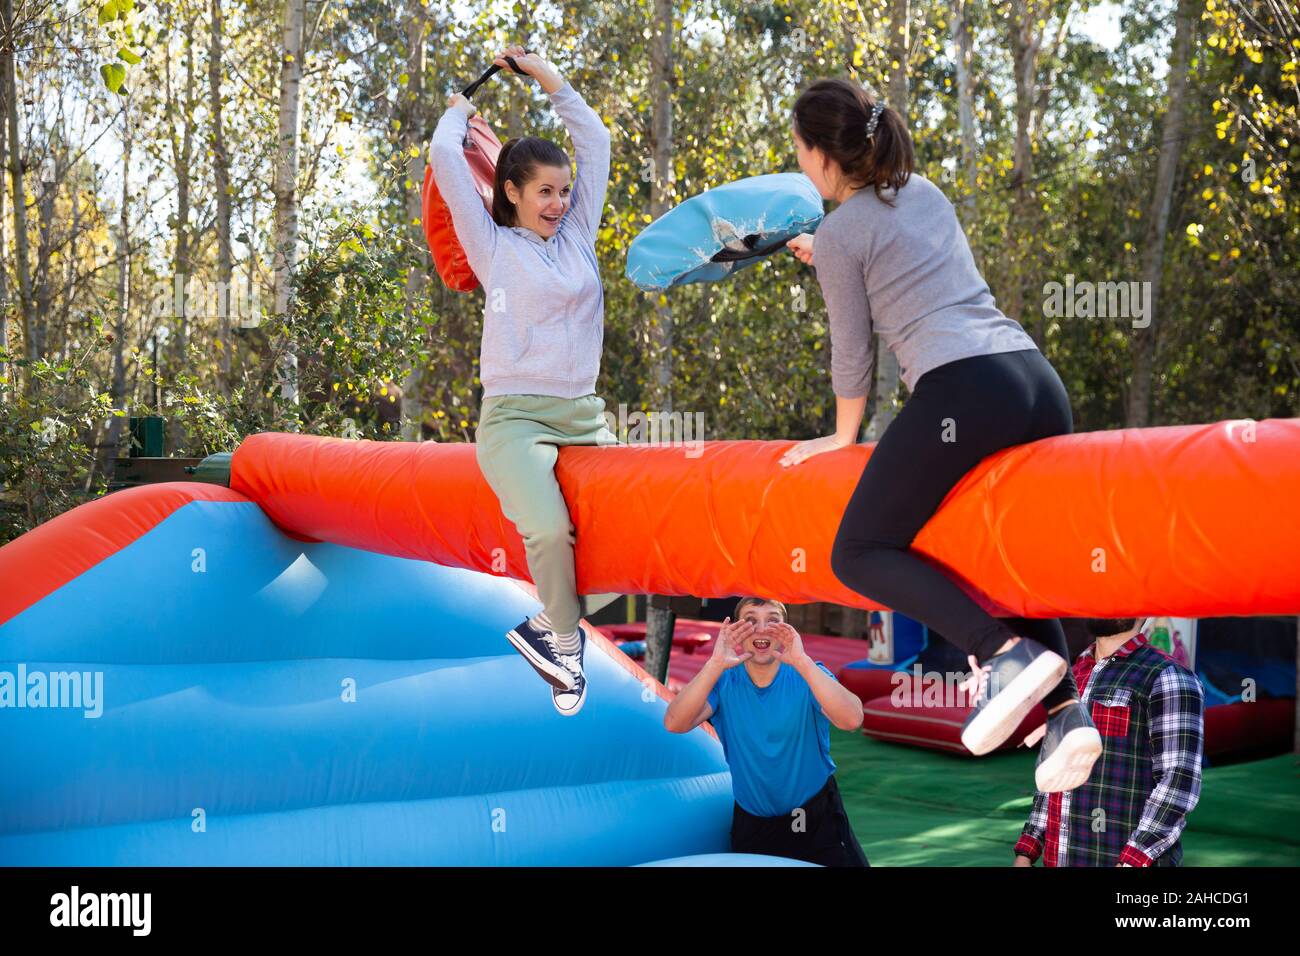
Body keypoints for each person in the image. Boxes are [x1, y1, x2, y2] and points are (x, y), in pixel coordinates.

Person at [781, 78, 1100, 792]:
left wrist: (841, 437)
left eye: (800, 152)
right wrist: (829, 253)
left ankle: (1001, 653)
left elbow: (852, 350)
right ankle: (1067, 713)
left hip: (966, 390)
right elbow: (900, 265)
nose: (801, 165)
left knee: (859, 550)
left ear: (824, 158)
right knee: (999, 550)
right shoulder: (920, 192)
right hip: (1034, 382)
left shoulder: (841, 234)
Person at [427, 45, 620, 716]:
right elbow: (447, 160)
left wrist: (547, 78)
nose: (560, 202)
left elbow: (593, 139)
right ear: (511, 192)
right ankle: (563, 646)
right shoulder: (492, 246)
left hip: (584, 417)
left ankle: (548, 626)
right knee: (547, 531)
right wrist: (459, 114)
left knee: (619, 547)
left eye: (565, 190)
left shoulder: (578, 237)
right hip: (514, 421)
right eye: (545, 191)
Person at [663, 598, 869, 866]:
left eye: (772, 620)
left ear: (785, 629)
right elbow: (674, 722)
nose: (761, 629)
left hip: (816, 817)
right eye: (750, 620)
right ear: (737, 631)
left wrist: (803, 662)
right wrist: (715, 663)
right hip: (754, 822)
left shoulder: (807, 675)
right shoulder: (724, 681)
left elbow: (852, 719)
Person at [1013, 618, 1204, 866]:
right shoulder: (1073, 673)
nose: (1106, 603)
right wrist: (1027, 849)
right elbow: (1055, 769)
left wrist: (1133, 861)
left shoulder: (1169, 677)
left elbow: (1179, 781)